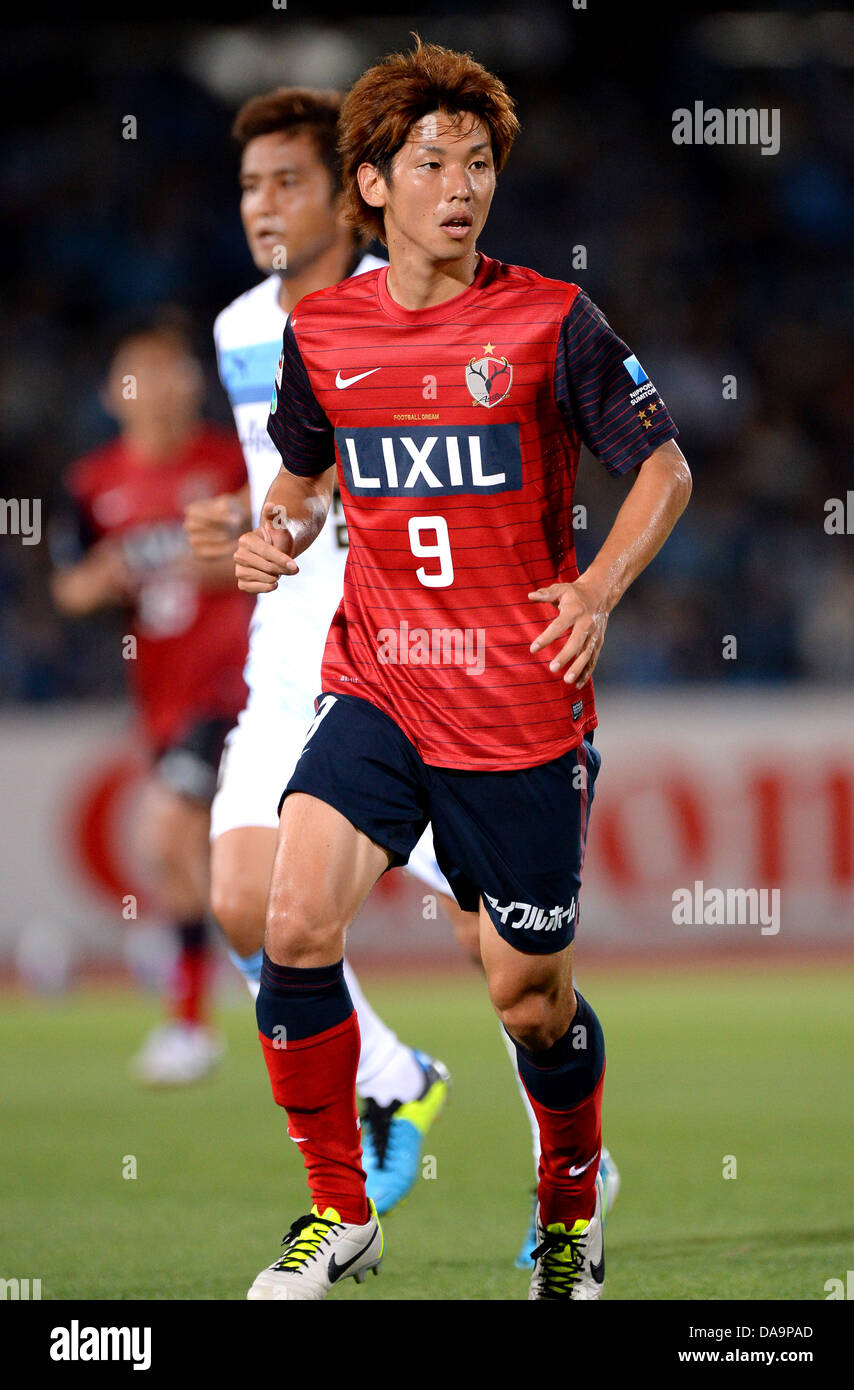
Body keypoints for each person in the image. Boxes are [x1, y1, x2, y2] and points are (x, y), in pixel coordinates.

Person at [186, 84, 620, 1246]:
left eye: (288, 182)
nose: (265, 206)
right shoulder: (249, 330)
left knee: (517, 973)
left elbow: (642, 460)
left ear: (348, 193)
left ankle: (571, 1167)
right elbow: (288, 469)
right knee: (254, 901)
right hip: (322, 663)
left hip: (476, 676)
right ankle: (379, 1113)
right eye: (248, 185)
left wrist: (589, 589)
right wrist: (240, 527)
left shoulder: (507, 315)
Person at [51, 321, 252, 1085]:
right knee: (192, 854)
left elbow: (279, 549)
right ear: (112, 393)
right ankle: (219, 996)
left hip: (231, 687)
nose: (154, 389)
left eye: (168, 373)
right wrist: (98, 581)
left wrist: (219, 568)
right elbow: (69, 585)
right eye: (136, 376)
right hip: (160, 698)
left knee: (164, 831)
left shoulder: (228, 463)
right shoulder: (94, 482)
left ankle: (207, 1010)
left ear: (191, 384)